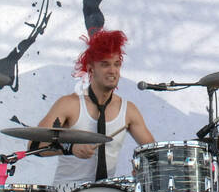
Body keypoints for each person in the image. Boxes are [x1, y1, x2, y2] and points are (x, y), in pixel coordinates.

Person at [29, 28, 155, 184]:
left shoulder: (128, 110)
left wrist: (143, 168)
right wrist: (71, 148)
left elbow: (154, 153)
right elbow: (34, 145)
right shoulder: (69, 104)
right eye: (105, 64)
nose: (113, 71)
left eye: (117, 64)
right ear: (90, 69)